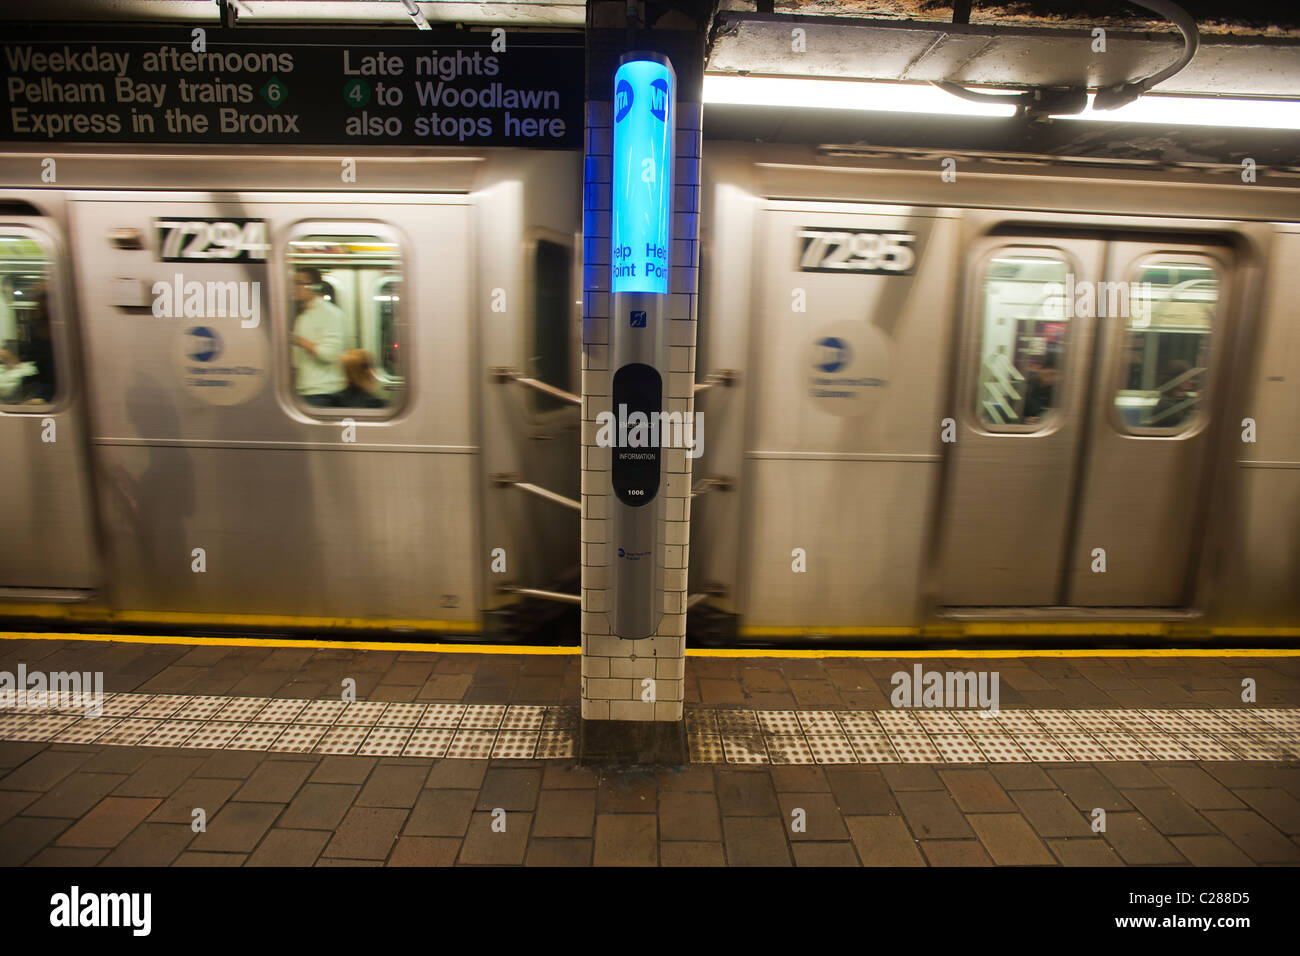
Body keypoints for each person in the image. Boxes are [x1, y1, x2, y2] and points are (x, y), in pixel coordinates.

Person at [291, 266, 346, 407]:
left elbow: (330, 354)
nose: (294, 287)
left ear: (313, 286)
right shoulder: (301, 316)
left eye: (299, 283)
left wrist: (300, 342)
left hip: (322, 392)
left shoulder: (330, 313)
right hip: (305, 389)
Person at [1149, 359, 1199, 427]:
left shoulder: (1186, 399)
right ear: (1174, 379)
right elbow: (1186, 427)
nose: (1191, 381)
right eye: (1186, 377)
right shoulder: (1165, 406)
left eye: (1191, 377)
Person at [1022, 352, 1059, 423]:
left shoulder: (1057, 392)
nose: (1051, 379)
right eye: (1049, 374)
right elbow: (1014, 413)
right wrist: (1024, 420)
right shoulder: (1025, 388)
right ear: (1039, 370)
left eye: (1055, 375)